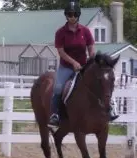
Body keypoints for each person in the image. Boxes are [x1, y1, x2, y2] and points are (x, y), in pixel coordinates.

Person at [48, 0, 119, 129]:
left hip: (84, 65)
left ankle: (111, 109)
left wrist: (92, 59)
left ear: (78, 15)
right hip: (66, 67)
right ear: (66, 15)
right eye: (70, 14)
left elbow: (91, 47)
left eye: (75, 14)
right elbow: (61, 52)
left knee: (103, 83)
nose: (72, 17)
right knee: (58, 88)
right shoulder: (60, 32)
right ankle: (55, 115)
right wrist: (73, 62)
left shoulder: (85, 31)